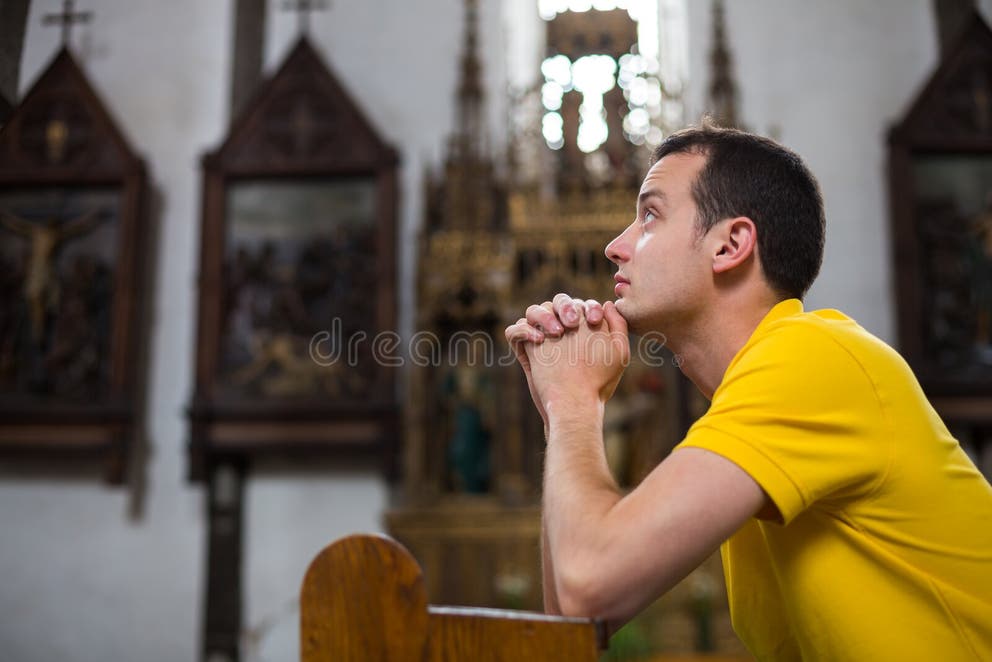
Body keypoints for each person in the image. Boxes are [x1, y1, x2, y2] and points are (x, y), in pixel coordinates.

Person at [505, 124, 992, 661]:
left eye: (650, 215)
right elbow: (570, 621)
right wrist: (566, 406)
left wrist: (572, 401)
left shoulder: (811, 357)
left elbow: (586, 589)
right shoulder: (749, 398)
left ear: (731, 245)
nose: (614, 246)